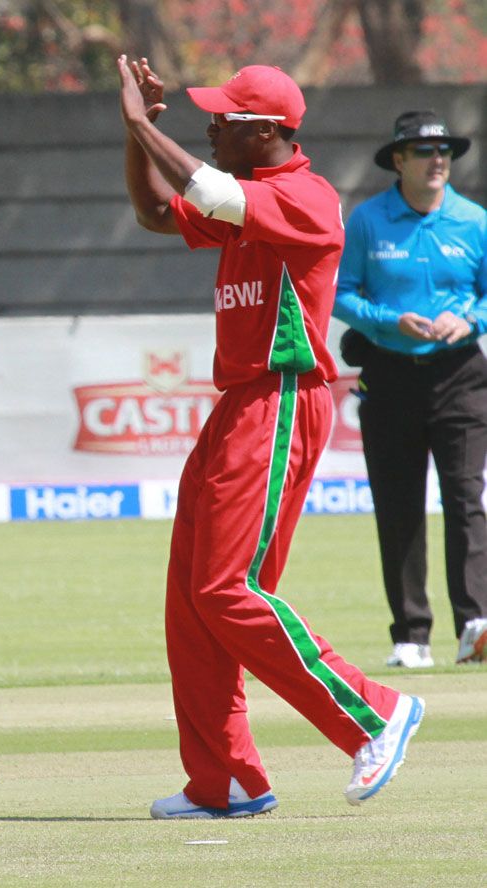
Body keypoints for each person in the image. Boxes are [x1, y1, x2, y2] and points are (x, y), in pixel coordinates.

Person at [117, 57, 424, 819]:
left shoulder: (305, 196)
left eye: (222, 119)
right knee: (194, 600)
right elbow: (155, 212)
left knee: (229, 589)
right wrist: (139, 133)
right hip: (239, 404)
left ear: (263, 132)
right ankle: (225, 781)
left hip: (281, 398)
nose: (210, 128)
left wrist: (140, 124)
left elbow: (208, 192)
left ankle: (374, 714)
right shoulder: (247, 194)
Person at [334, 111, 487, 670]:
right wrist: (388, 321)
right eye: (424, 151)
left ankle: (476, 626)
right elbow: (341, 294)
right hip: (389, 375)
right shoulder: (368, 221)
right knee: (398, 506)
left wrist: (468, 321)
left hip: (460, 375)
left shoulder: (474, 221)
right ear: (398, 161)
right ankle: (411, 636)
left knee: (465, 497)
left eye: (444, 151)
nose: (437, 160)